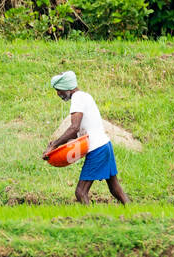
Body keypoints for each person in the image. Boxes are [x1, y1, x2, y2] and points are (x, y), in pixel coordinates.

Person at [44, 70, 129, 205]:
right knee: (114, 187)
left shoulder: (77, 99)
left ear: (67, 87)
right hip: (105, 145)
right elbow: (81, 131)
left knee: (80, 192)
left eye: (59, 90)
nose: (58, 94)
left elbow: (74, 128)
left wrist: (54, 145)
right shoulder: (85, 96)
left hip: (97, 149)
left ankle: (89, 220)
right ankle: (131, 211)